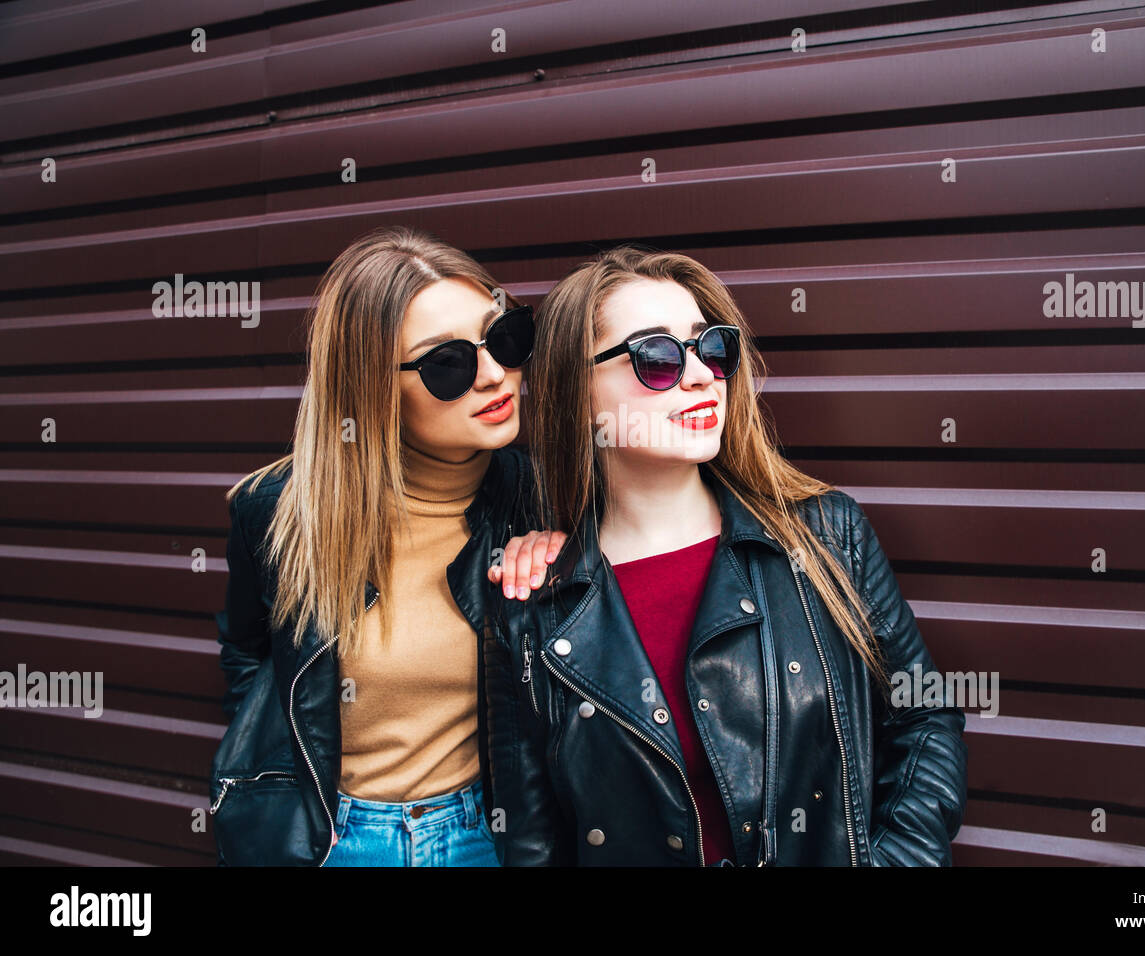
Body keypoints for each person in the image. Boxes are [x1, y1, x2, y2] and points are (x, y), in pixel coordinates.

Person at [483, 245, 968, 866]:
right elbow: (531, 844)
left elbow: (924, 716)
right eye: (655, 357)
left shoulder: (825, 536)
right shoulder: (533, 605)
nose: (699, 374)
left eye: (709, 347)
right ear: (576, 393)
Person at [210, 225, 539, 866]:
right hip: (334, 841)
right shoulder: (276, 513)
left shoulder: (540, 502)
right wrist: (289, 797)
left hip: (484, 836)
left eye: (504, 337)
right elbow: (248, 659)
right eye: (449, 363)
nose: (497, 375)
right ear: (372, 387)